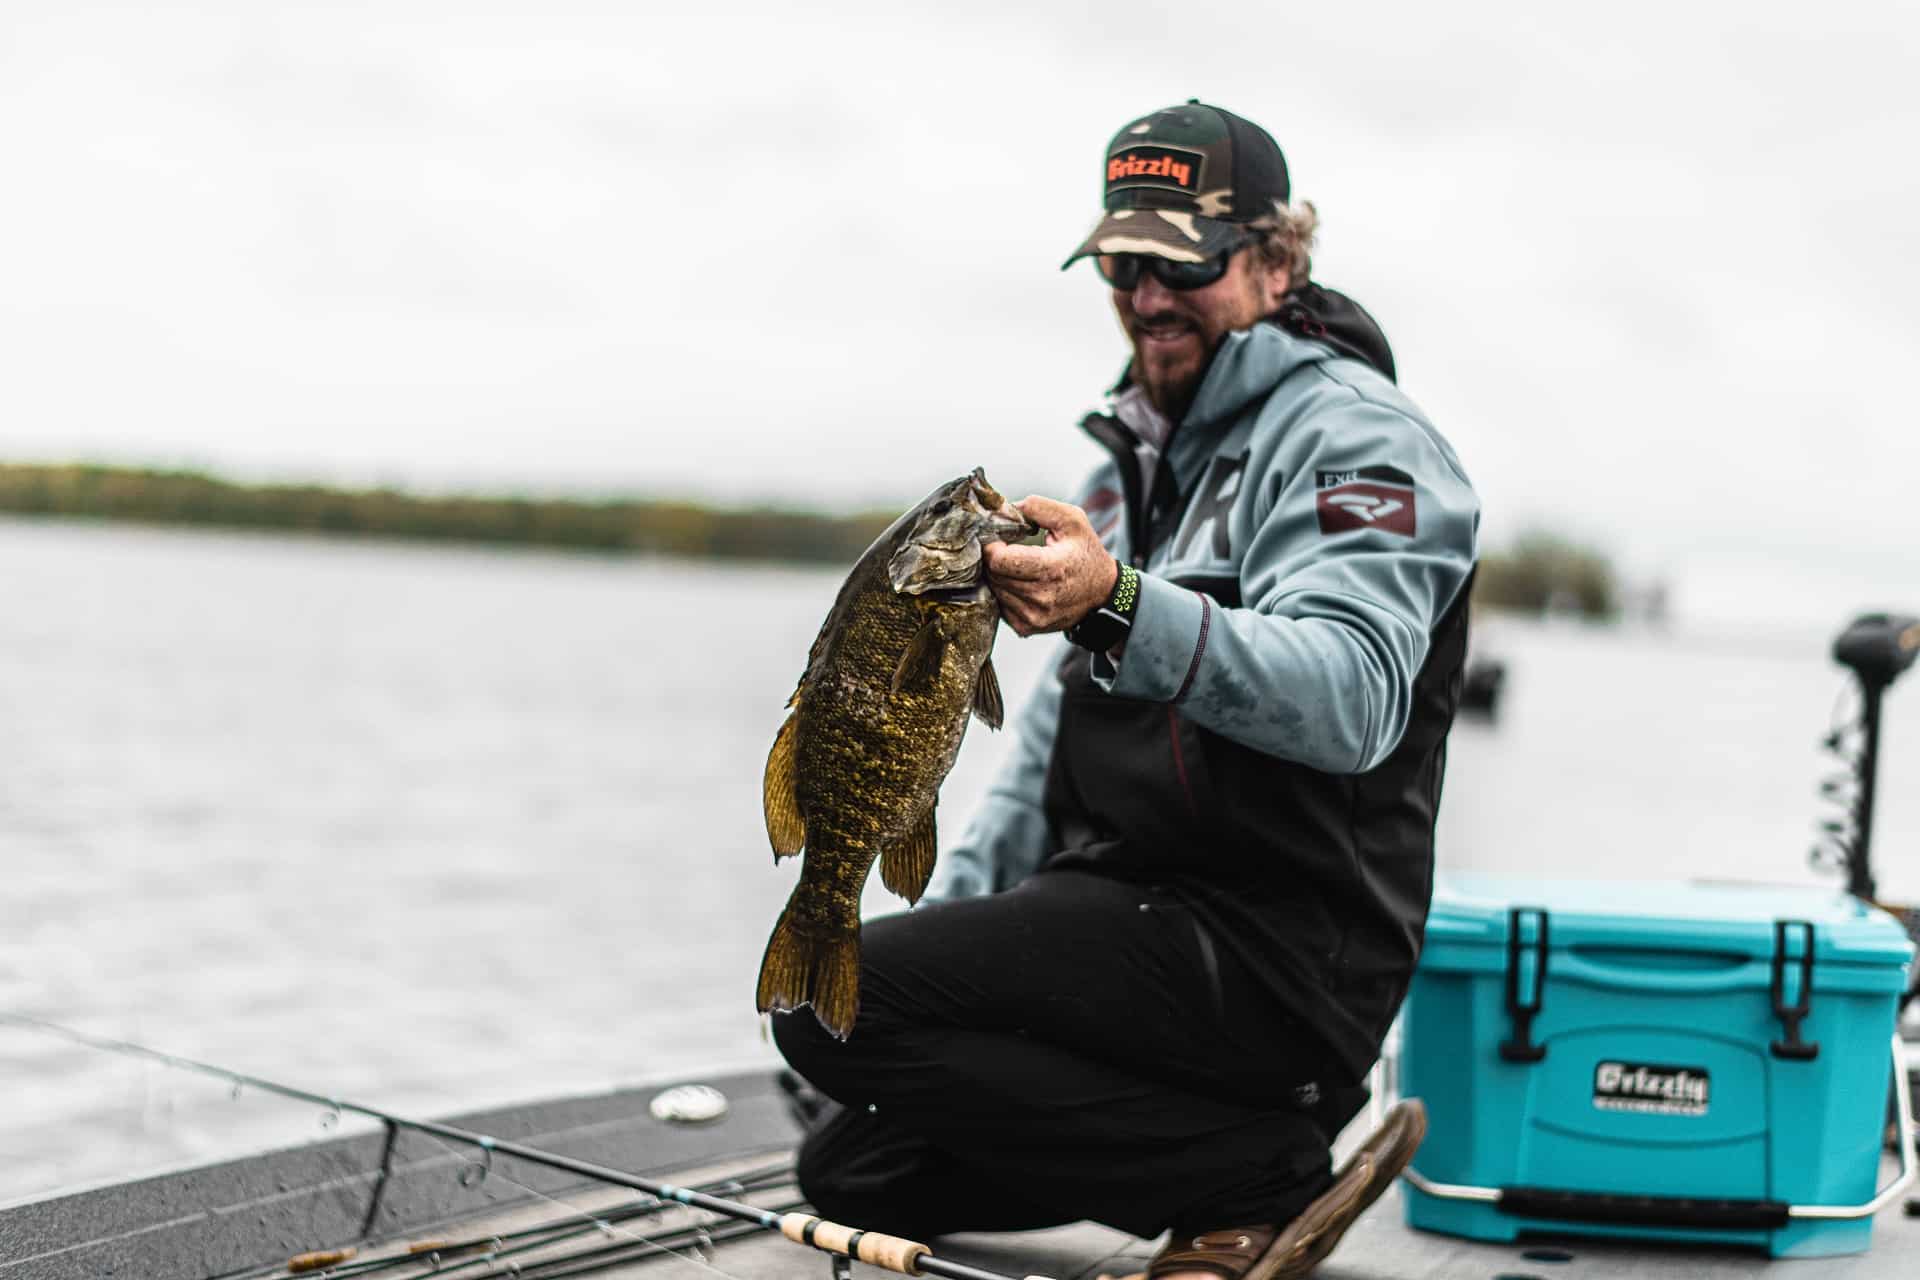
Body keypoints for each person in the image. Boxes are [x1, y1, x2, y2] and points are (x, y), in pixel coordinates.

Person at [772, 100, 1480, 1280]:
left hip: (1278, 953)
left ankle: (1259, 1174)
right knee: (853, 1167)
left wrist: (1117, 603)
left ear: (1278, 260)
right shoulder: (1131, 461)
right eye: (1121, 265)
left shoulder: (1362, 441)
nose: (1148, 296)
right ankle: (1227, 1153)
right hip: (1133, 919)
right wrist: (934, 941)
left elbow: (1358, 693)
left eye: (1182, 264)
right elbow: (1042, 745)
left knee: (825, 1013)